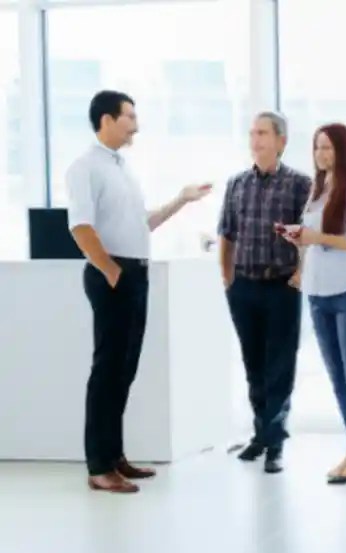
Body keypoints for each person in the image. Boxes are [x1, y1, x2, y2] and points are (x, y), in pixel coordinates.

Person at [66, 90, 212, 494]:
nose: (136, 123)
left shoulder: (122, 169)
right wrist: (111, 270)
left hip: (135, 274)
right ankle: (99, 466)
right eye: (129, 116)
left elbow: (141, 224)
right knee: (107, 371)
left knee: (124, 371)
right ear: (107, 120)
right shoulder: (85, 167)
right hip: (113, 274)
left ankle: (114, 457)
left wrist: (181, 200)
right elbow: (80, 226)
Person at [216, 111, 313, 474]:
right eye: (252, 133)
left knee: (280, 367)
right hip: (244, 287)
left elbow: (310, 235)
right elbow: (227, 234)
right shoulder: (237, 184)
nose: (255, 139)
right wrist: (228, 280)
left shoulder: (299, 184)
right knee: (253, 365)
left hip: (282, 286)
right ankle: (261, 434)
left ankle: (275, 444)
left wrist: (301, 273)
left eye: (263, 133)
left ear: (281, 141)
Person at [280, 123, 346, 484]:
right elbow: (313, 241)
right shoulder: (317, 190)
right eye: (318, 147)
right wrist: (299, 243)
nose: (321, 154)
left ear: (343, 151)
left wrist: (315, 235)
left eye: (329, 148)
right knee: (337, 378)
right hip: (317, 295)